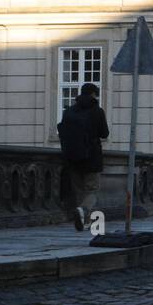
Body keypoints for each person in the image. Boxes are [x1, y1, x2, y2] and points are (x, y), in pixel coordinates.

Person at [57, 82, 109, 231]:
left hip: (71, 156)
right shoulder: (97, 111)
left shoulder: (69, 111)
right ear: (93, 94)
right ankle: (84, 211)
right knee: (91, 190)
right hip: (91, 156)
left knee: (79, 190)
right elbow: (104, 133)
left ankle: (85, 222)